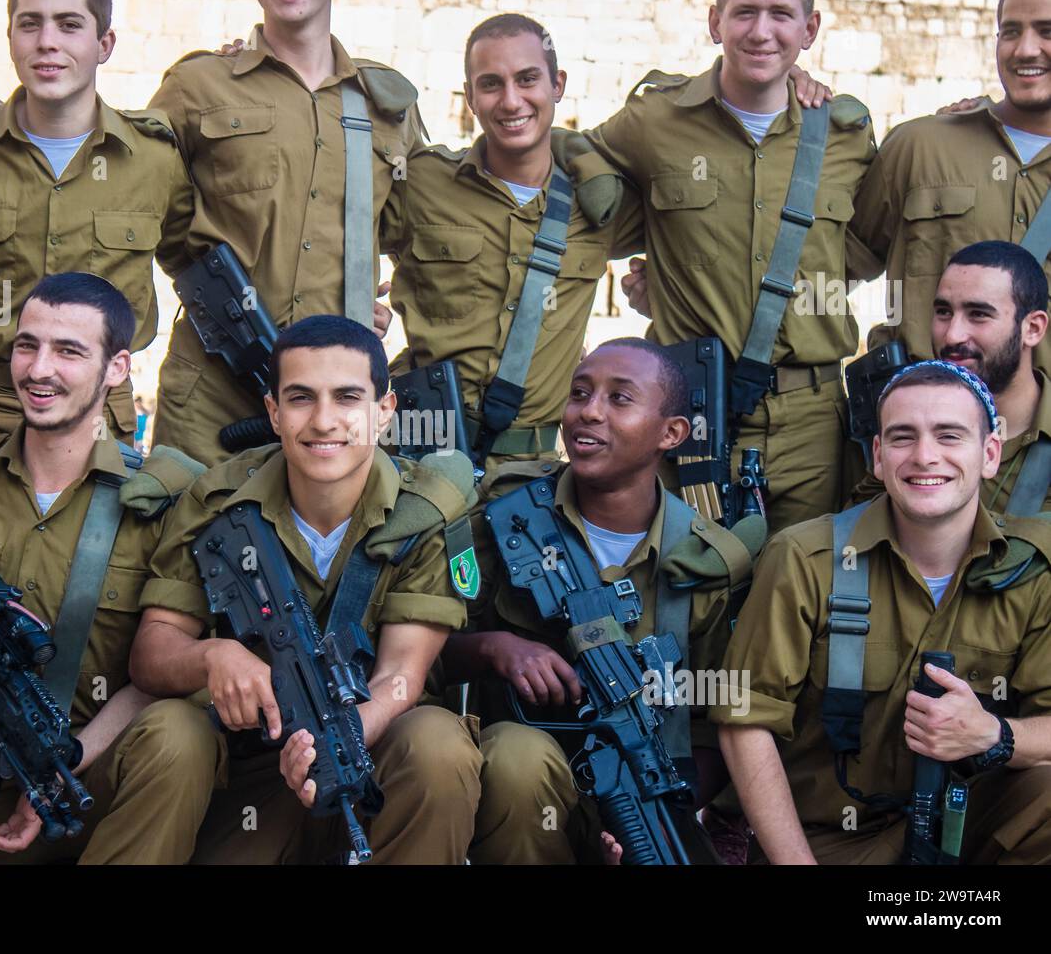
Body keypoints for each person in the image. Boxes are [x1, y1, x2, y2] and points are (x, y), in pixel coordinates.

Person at [0, 274, 223, 864]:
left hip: (108, 778)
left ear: (116, 368)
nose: (38, 369)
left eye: (69, 351)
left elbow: (165, 673)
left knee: (180, 735)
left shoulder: (168, 499)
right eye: (27, 346)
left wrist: (70, 760)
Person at [132, 315, 483, 863]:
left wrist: (334, 740)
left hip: (377, 755)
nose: (324, 421)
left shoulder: (428, 512)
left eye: (347, 397)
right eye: (300, 398)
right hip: (253, 762)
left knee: (438, 744)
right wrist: (213, 657)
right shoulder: (217, 501)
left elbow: (400, 677)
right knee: (172, 725)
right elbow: (152, 652)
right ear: (273, 412)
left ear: (383, 411)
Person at [714, 361, 1051, 863]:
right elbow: (744, 721)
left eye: (949, 435)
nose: (925, 456)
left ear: (989, 454)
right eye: (902, 437)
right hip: (834, 843)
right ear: (877, 456)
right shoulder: (804, 561)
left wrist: (994, 735)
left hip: (966, 832)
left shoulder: (1032, 571)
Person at [443, 338, 760, 863]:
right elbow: (426, 649)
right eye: (580, 393)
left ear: (671, 433)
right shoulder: (507, 514)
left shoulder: (711, 560)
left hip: (643, 803)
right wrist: (493, 648)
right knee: (519, 760)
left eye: (619, 399)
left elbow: (721, 727)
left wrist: (648, 813)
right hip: (520, 795)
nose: (589, 412)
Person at [583, 0, 876, 533]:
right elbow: (574, 163)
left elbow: (859, 250)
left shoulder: (845, 134)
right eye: (744, 12)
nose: (760, 31)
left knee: (803, 586)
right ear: (715, 22)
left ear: (809, 29)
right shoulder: (655, 119)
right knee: (689, 586)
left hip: (811, 422)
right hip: (690, 413)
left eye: (780, 15)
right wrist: (673, 276)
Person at [0, 0, 192, 500]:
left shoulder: (153, 161)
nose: (47, 42)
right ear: (10, 37)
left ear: (105, 45)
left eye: (70, 25)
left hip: (93, 414)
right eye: (30, 24)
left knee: (90, 570)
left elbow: (196, 259)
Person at [145, 0, 425, 465]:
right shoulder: (198, 85)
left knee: (325, 537)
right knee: (185, 529)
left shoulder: (387, 105)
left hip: (331, 399)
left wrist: (364, 297)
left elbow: (420, 223)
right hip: (213, 385)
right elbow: (133, 194)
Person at [379, 14, 642, 475]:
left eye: (527, 79)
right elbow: (325, 224)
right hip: (415, 459)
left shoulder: (602, 204)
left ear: (557, 84)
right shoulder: (421, 182)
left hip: (530, 477)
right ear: (471, 96)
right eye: (491, 84)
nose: (511, 101)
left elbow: (699, 223)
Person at [852, 0, 1051, 370]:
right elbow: (825, 268)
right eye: (1010, 32)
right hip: (926, 421)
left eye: (1047, 31)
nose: (1025, 50)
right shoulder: (920, 148)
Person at [853, 241, 1051, 514]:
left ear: (1033, 328)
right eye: (944, 312)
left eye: (978, 315)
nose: (952, 335)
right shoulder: (901, 422)